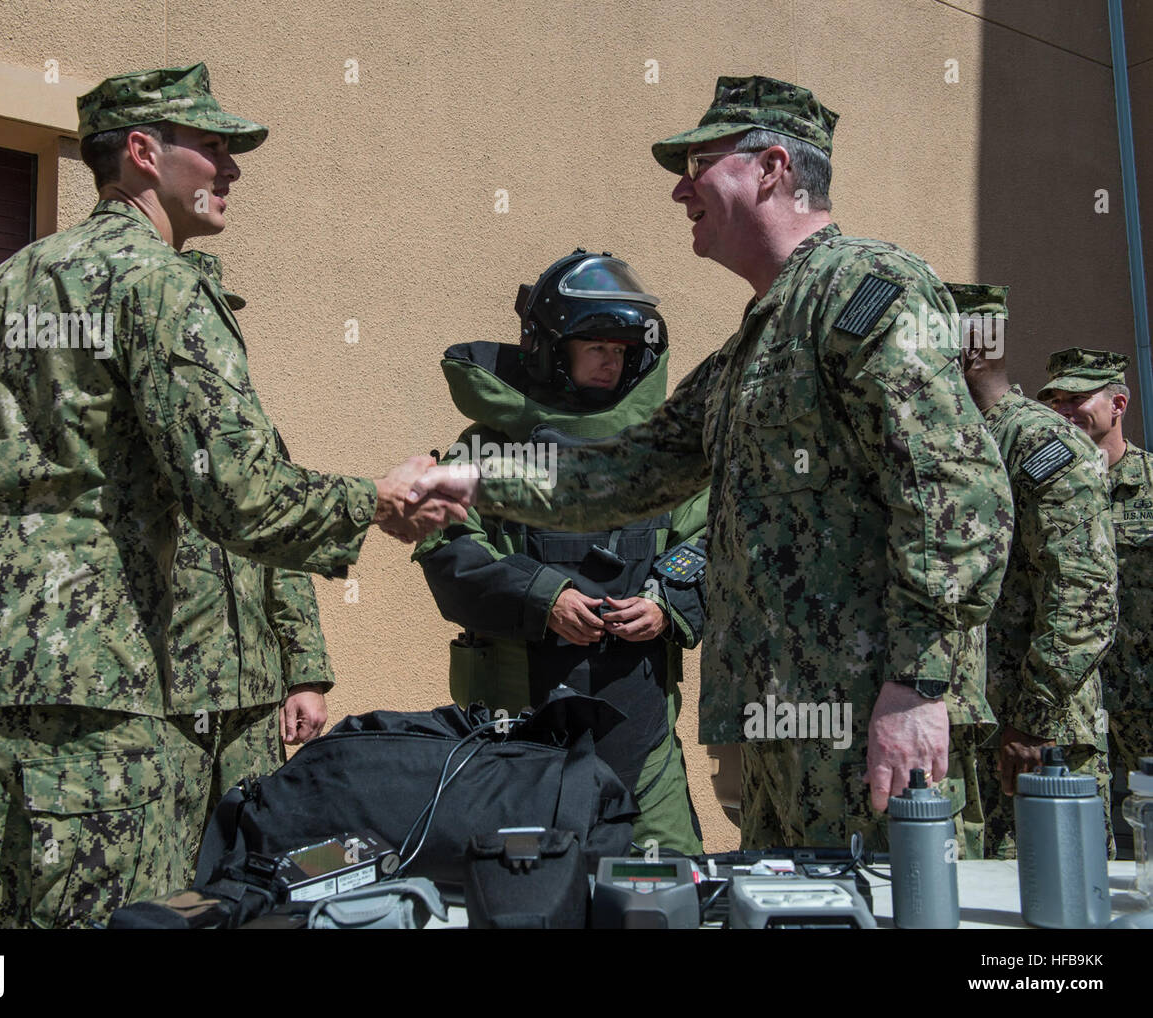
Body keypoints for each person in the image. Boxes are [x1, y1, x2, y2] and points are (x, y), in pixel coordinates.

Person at [0, 63, 462, 928]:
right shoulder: (158, 283)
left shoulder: (9, 280)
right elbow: (236, 490)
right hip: (85, 694)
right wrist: (376, 502)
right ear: (142, 153)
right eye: (212, 147)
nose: (230, 168)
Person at [411, 75, 1013, 850]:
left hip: (867, 721)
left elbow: (959, 493)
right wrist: (465, 480)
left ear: (771, 168)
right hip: (778, 732)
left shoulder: (866, 291)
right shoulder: (748, 351)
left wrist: (920, 686)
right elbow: (624, 475)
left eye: (699, 163)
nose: (679, 189)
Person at [413, 250, 708, 853]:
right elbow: (449, 550)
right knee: (524, 896)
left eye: (623, 350)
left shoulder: (659, 450)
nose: (611, 361)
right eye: (595, 345)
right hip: (515, 740)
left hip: (644, 735)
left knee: (671, 897)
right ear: (550, 350)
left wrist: (666, 601)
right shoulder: (488, 449)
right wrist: (544, 598)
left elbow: (709, 540)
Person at [166, 251, 335, 884]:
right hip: (167, 699)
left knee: (254, 859)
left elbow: (285, 559)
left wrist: (306, 675)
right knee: (167, 875)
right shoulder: (129, 424)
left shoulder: (256, 435)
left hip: (254, 697)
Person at [950, 285, 1117, 859]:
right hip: (982, 727)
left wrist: (1032, 719)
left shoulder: (1041, 442)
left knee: (1058, 904)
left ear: (969, 351)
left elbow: (1086, 596)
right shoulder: (959, 439)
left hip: (1040, 739)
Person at [1039, 349, 1153, 777]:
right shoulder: (1045, 492)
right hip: (1076, 706)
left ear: (1118, 405)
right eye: (1055, 401)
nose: (1063, 411)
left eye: (1076, 398)